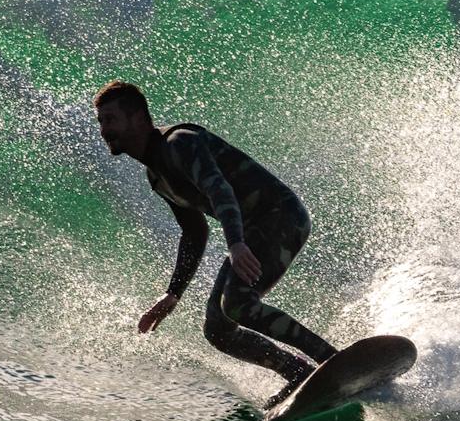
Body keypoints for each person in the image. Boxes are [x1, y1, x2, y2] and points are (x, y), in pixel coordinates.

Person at [93, 79, 337, 393]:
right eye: (100, 121)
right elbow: (194, 231)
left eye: (110, 119)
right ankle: (298, 374)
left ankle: (331, 360)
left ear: (139, 118)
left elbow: (220, 191)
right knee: (218, 329)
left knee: (236, 303)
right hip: (251, 231)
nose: (104, 130)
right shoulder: (156, 175)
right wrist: (174, 293)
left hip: (281, 217)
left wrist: (235, 243)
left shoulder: (179, 143)